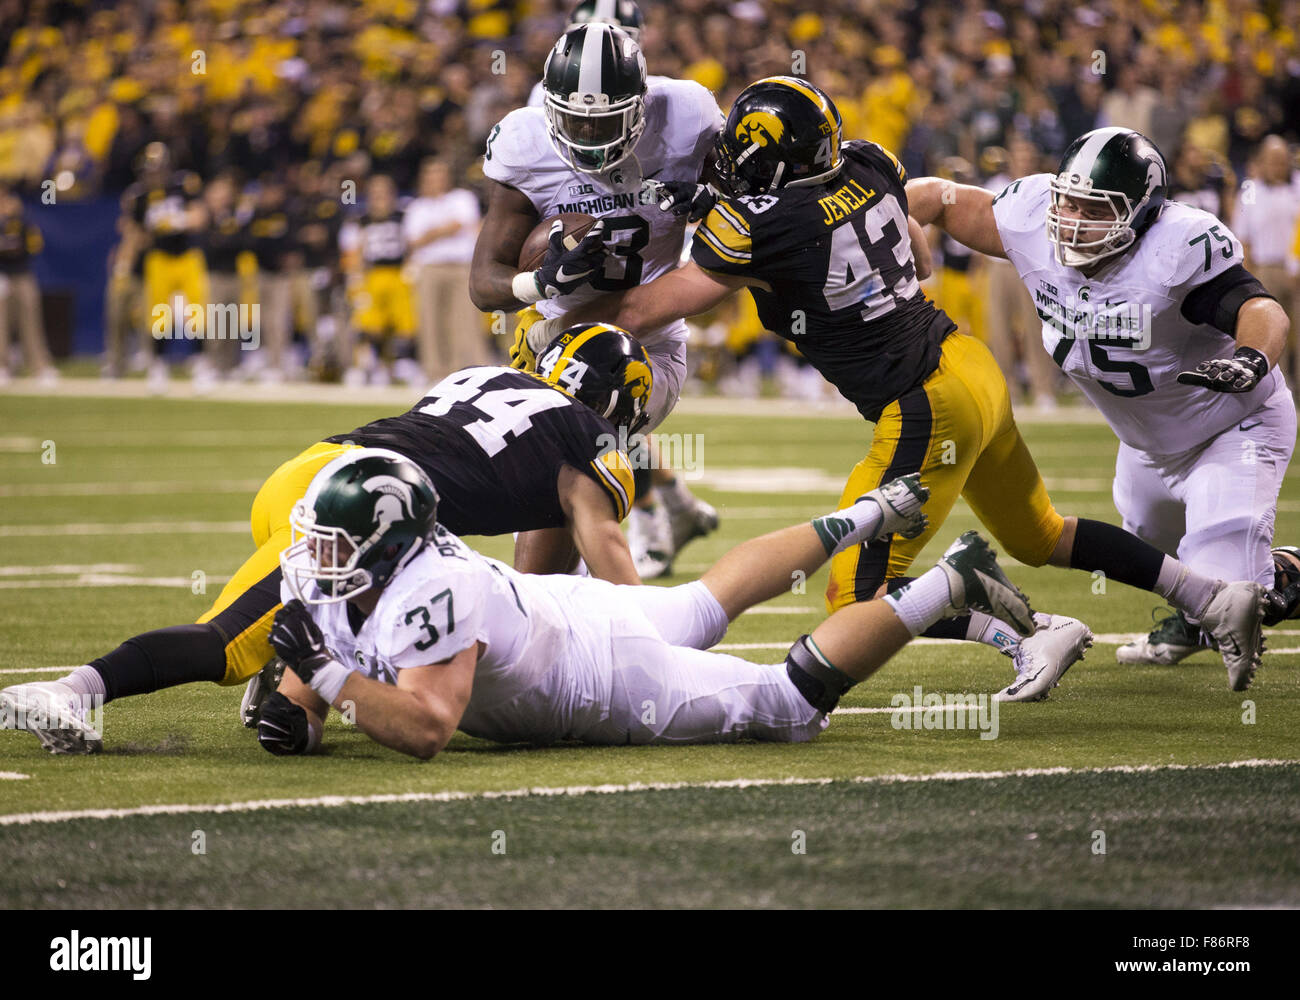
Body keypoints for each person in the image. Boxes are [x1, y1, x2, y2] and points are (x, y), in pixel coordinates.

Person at [532, 78, 1268, 694]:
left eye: (749, 157)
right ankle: (1209, 593)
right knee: (1041, 535)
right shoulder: (868, 161)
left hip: (925, 402)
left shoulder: (761, 225)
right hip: (964, 361)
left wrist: (550, 308)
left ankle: (1025, 630)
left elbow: (641, 310)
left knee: (855, 594)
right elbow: (915, 241)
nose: (732, 166)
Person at [0, 325, 656, 754]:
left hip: (315, 472)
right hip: (349, 508)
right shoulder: (590, 442)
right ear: (621, 405)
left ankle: (293, 682)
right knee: (226, 644)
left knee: (377, 597)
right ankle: (73, 690)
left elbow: (539, 563)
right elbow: (604, 553)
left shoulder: (485, 380)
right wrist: (653, 643)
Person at [257, 454, 1007, 760]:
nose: (317, 559)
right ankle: (874, 512)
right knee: (705, 599)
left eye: (335, 543)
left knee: (786, 706)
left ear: (387, 544)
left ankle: (948, 581)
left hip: (606, 678)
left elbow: (426, 729)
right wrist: (298, 705)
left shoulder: (431, 593)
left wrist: (324, 680)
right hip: (570, 608)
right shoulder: (363, 572)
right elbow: (320, 681)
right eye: (319, 542)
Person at [907, 125, 1293, 669]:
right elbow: (938, 199)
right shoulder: (1032, 218)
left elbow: (1261, 308)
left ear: (1141, 213)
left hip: (1230, 425)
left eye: (1095, 210)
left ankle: (1286, 575)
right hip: (1146, 443)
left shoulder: (1177, 248)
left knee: (1233, 591)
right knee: (1160, 557)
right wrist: (876, 225)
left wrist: (1251, 359)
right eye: (1069, 202)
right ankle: (1193, 619)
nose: (1072, 221)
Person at [471, 21, 720, 579]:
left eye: (602, 120)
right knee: (554, 486)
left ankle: (578, 611)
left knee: (567, 442)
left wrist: (709, 198)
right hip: (551, 342)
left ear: (640, 103)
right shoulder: (524, 139)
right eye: (573, 118)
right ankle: (590, 603)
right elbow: (484, 285)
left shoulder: (687, 117)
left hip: (646, 347)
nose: (586, 134)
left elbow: (742, 229)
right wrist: (540, 285)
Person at [404, 157, 485, 379]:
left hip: (461, 266)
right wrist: (446, 229)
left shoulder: (462, 197)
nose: (436, 178)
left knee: (465, 319)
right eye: (431, 173)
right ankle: (434, 372)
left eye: (440, 172)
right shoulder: (416, 206)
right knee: (430, 321)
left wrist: (432, 233)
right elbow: (414, 241)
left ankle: (470, 371)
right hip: (431, 268)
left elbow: (464, 225)